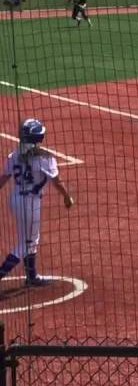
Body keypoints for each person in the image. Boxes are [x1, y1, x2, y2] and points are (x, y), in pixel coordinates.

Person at [0, 120, 74, 287]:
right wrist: (67, 197)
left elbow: (3, 179)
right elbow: (57, 182)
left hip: (15, 201)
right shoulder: (45, 158)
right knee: (26, 244)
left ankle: (32, 277)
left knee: (29, 240)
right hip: (30, 204)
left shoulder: (14, 155)